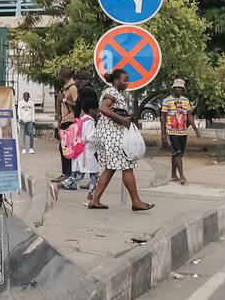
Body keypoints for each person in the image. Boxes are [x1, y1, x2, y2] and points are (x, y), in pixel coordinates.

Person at [87, 68, 154, 211]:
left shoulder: (115, 93)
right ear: (116, 81)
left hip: (108, 135)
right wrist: (123, 121)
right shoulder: (111, 92)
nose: (127, 83)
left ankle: (95, 200)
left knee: (110, 168)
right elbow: (104, 109)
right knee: (127, 166)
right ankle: (136, 202)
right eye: (125, 80)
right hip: (112, 135)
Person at [160, 78, 200, 187]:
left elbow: (189, 115)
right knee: (177, 152)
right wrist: (163, 134)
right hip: (171, 132)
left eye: (181, 88)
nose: (178, 89)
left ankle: (173, 174)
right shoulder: (167, 101)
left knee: (178, 154)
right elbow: (163, 117)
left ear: (183, 89)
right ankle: (182, 175)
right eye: (176, 87)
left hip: (183, 132)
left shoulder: (186, 100)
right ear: (173, 88)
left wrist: (196, 129)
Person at [69, 91, 102, 199]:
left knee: (80, 175)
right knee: (95, 173)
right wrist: (100, 138)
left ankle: (91, 194)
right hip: (87, 153)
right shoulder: (90, 122)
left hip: (80, 152)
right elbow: (90, 137)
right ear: (92, 110)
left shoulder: (82, 120)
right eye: (97, 109)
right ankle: (91, 194)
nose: (98, 112)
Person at [53, 70, 79, 183]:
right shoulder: (66, 88)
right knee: (63, 148)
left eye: (60, 75)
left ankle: (68, 173)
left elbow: (77, 104)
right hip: (64, 120)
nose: (59, 77)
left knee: (65, 148)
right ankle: (66, 173)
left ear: (65, 76)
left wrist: (64, 99)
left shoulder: (72, 88)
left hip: (70, 121)